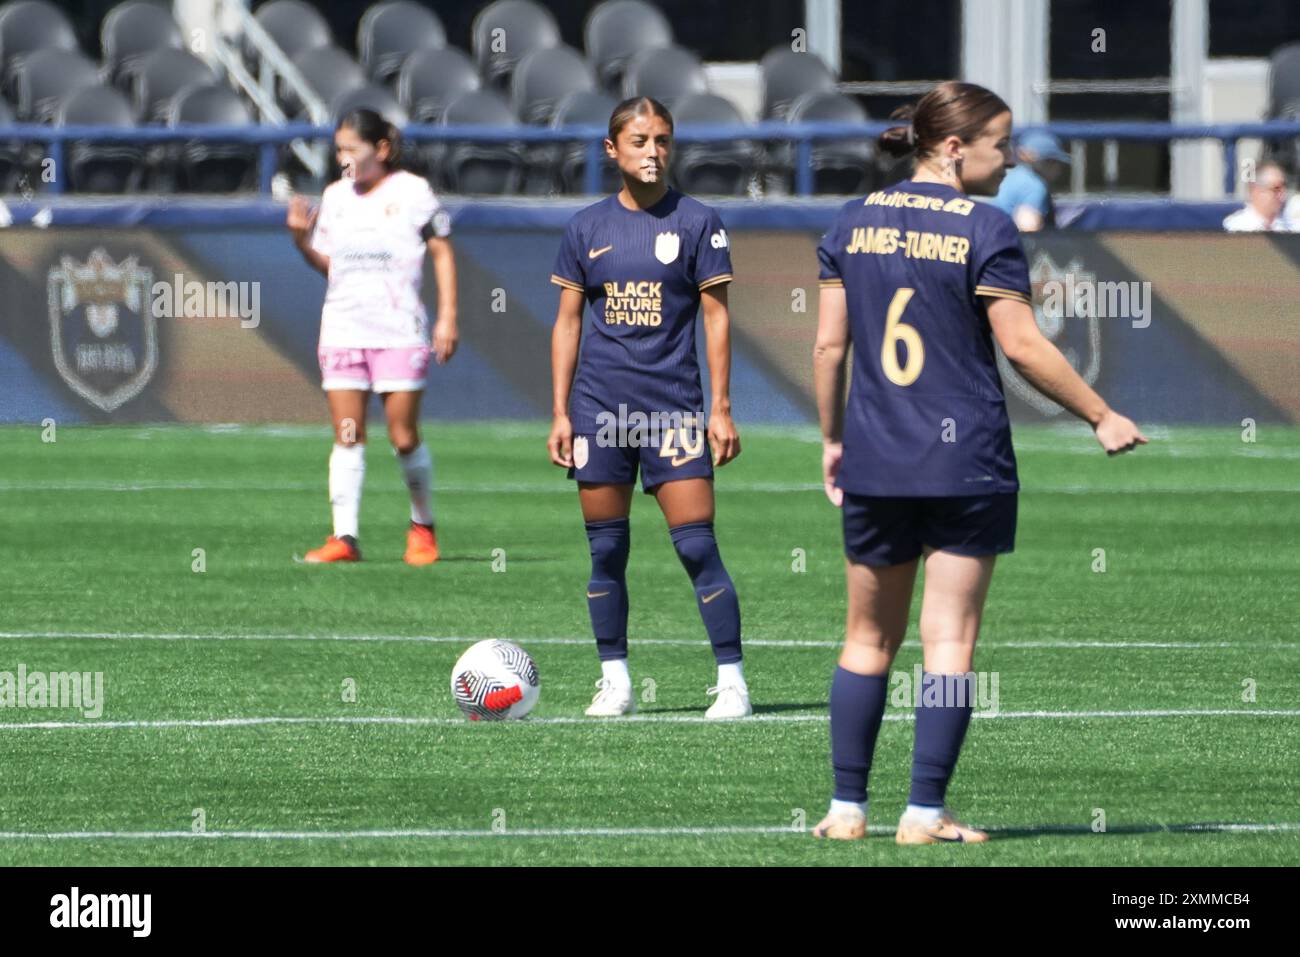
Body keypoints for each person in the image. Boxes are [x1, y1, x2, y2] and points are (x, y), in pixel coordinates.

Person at [810, 82, 1147, 844]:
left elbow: (830, 346)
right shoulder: (986, 226)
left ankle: (845, 808)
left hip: (876, 460)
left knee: (866, 639)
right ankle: (925, 813)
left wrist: (834, 438)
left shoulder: (851, 219)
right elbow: (1023, 346)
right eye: (1000, 142)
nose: (1010, 156)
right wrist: (1101, 413)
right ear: (956, 147)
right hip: (966, 465)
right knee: (949, 640)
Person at [547, 96, 749, 719]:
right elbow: (567, 325)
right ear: (613, 150)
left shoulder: (699, 221)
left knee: (696, 546)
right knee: (606, 551)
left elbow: (716, 320)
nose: (652, 152)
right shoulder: (586, 228)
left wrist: (720, 407)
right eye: (639, 141)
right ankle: (616, 681)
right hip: (600, 411)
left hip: (674, 411)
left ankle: (734, 681)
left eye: (662, 139)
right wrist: (560, 412)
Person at [286, 108, 458, 565]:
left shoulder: (412, 192)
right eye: (338, 149)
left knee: (403, 436)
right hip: (344, 329)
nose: (343, 158)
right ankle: (345, 537)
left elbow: (441, 251)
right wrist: (302, 242)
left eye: (351, 149)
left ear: (381, 149)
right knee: (347, 434)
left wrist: (447, 317)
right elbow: (331, 266)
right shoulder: (336, 197)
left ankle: (423, 527)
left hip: (399, 330)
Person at [991, 130, 1071, 231]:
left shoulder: (1010, 175)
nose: (1058, 169)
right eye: (1052, 162)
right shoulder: (1034, 185)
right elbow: (1028, 230)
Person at [1223, 162, 1296, 231]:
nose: (1282, 195)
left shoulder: (1291, 228)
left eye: (1284, 189)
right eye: (1276, 189)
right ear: (1256, 191)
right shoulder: (1236, 228)